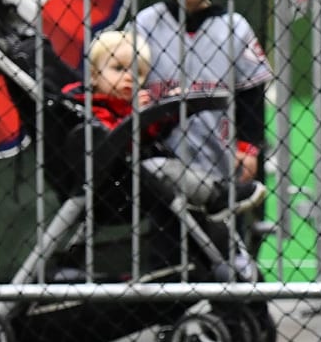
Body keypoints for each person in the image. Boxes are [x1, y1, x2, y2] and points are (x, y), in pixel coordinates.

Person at [131, 0, 272, 342]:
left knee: (226, 243)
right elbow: (120, 72)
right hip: (163, 165)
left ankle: (232, 321)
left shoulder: (234, 27)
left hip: (219, 162)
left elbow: (250, 95)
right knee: (167, 248)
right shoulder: (145, 25)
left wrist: (249, 147)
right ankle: (169, 324)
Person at [66, 29, 267, 220]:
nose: (129, 77)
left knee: (169, 166)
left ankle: (216, 195)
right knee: (161, 167)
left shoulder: (127, 104)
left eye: (138, 73)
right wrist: (133, 116)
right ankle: (216, 198)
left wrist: (165, 112)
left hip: (134, 180)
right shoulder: (90, 105)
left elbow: (148, 136)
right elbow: (111, 139)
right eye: (118, 68)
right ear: (93, 75)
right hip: (110, 184)